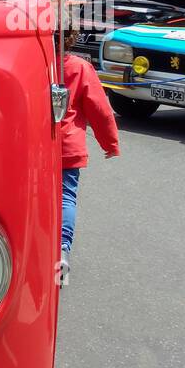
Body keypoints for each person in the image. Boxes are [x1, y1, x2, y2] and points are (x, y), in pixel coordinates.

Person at [59, 26, 119, 271]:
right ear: (71, 37)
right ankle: (62, 249)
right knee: (65, 198)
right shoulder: (79, 67)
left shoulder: (27, 66)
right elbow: (100, 110)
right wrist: (110, 143)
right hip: (67, 147)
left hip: (31, 150)